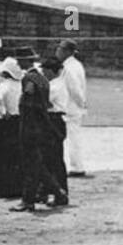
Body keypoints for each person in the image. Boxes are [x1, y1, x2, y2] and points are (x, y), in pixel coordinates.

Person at [11, 48, 66, 212]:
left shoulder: (29, 79)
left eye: (20, 60)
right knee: (37, 164)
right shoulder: (43, 79)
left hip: (29, 126)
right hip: (41, 127)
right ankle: (55, 192)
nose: (18, 63)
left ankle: (30, 200)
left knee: (30, 164)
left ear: (26, 61)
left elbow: (29, 101)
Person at [0, 57, 24, 198]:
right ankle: (18, 186)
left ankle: (5, 187)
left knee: (4, 155)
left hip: (6, 122)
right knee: (17, 154)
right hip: (19, 120)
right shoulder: (20, 85)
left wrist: (3, 112)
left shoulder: (4, 85)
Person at [56, 39, 87, 177]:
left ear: (68, 52)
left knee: (73, 137)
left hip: (71, 107)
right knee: (73, 136)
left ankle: (77, 167)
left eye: (61, 49)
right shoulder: (75, 65)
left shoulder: (69, 68)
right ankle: (76, 165)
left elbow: (75, 89)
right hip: (73, 106)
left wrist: (81, 104)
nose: (58, 51)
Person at [42, 55, 70, 204]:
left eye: (45, 71)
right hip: (54, 120)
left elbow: (44, 102)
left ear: (51, 71)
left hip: (54, 120)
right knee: (50, 157)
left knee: (54, 158)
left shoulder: (54, 86)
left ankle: (60, 192)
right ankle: (50, 190)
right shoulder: (56, 84)